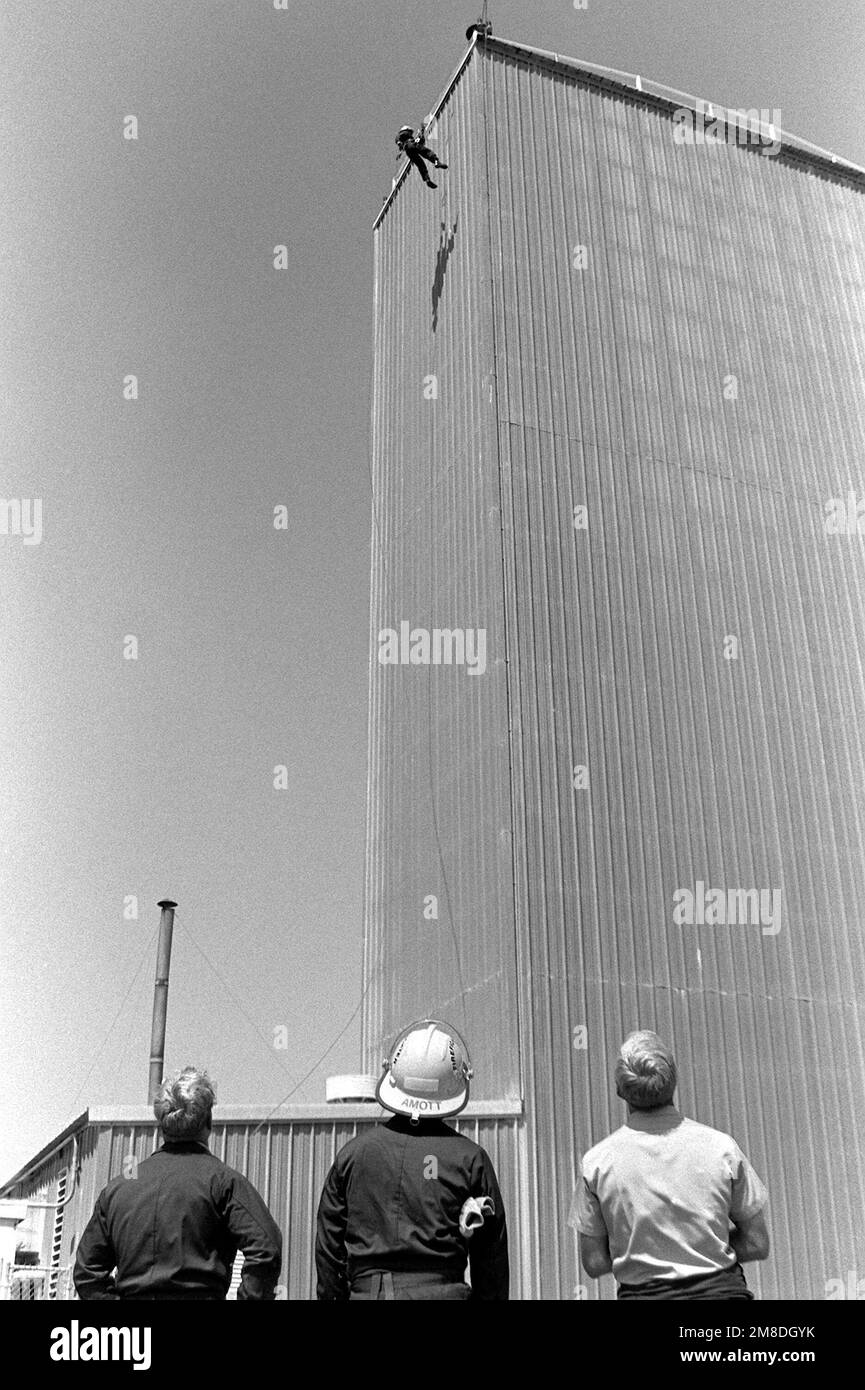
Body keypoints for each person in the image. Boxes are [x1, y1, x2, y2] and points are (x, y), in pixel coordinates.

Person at [315, 1019, 509, 1300]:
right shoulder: (470, 1160)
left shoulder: (352, 1156)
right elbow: (491, 1262)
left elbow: (329, 1251)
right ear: (456, 1082)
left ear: (392, 1071)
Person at [571, 1030, 770, 1300]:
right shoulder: (722, 1148)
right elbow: (757, 1243)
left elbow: (594, 1262)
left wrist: (645, 1253)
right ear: (673, 1081)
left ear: (620, 1090)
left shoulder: (596, 1163)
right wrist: (703, 1246)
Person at [73, 1066, 282, 1300]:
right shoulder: (224, 1182)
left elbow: (87, 1274)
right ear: (209, 1121)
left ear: (162, 1124)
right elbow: (266, 1247)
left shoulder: (117, 1190)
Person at [395, 125, 448, 189]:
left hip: (409, 151)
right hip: (411, 145)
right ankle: (436, 161)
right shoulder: (404, 134)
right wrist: (421, 134)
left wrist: (421, 133)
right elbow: (417, 141)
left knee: (420, 165)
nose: (411, 134)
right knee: (427, 152)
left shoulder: (403, 141)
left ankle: (427, 179)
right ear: (407, 130)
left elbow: (419, 140)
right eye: (410, 132)